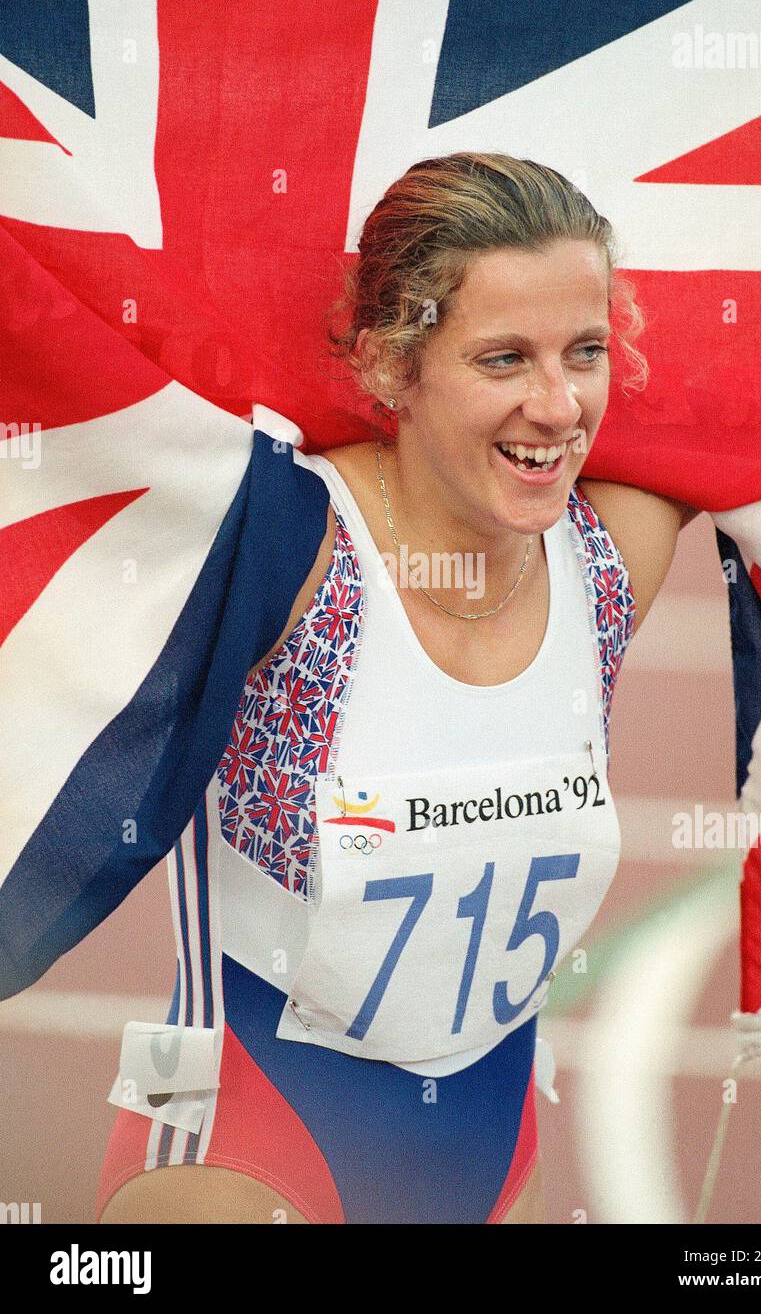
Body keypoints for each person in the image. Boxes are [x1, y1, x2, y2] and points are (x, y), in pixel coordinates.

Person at [96, 152, 698, 1225]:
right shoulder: (284, 548)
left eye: (586, 350)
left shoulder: (611, 558)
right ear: (388, 362)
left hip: (490, 1152)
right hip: (246, 1145)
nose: (558, 405)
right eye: (502, 357)